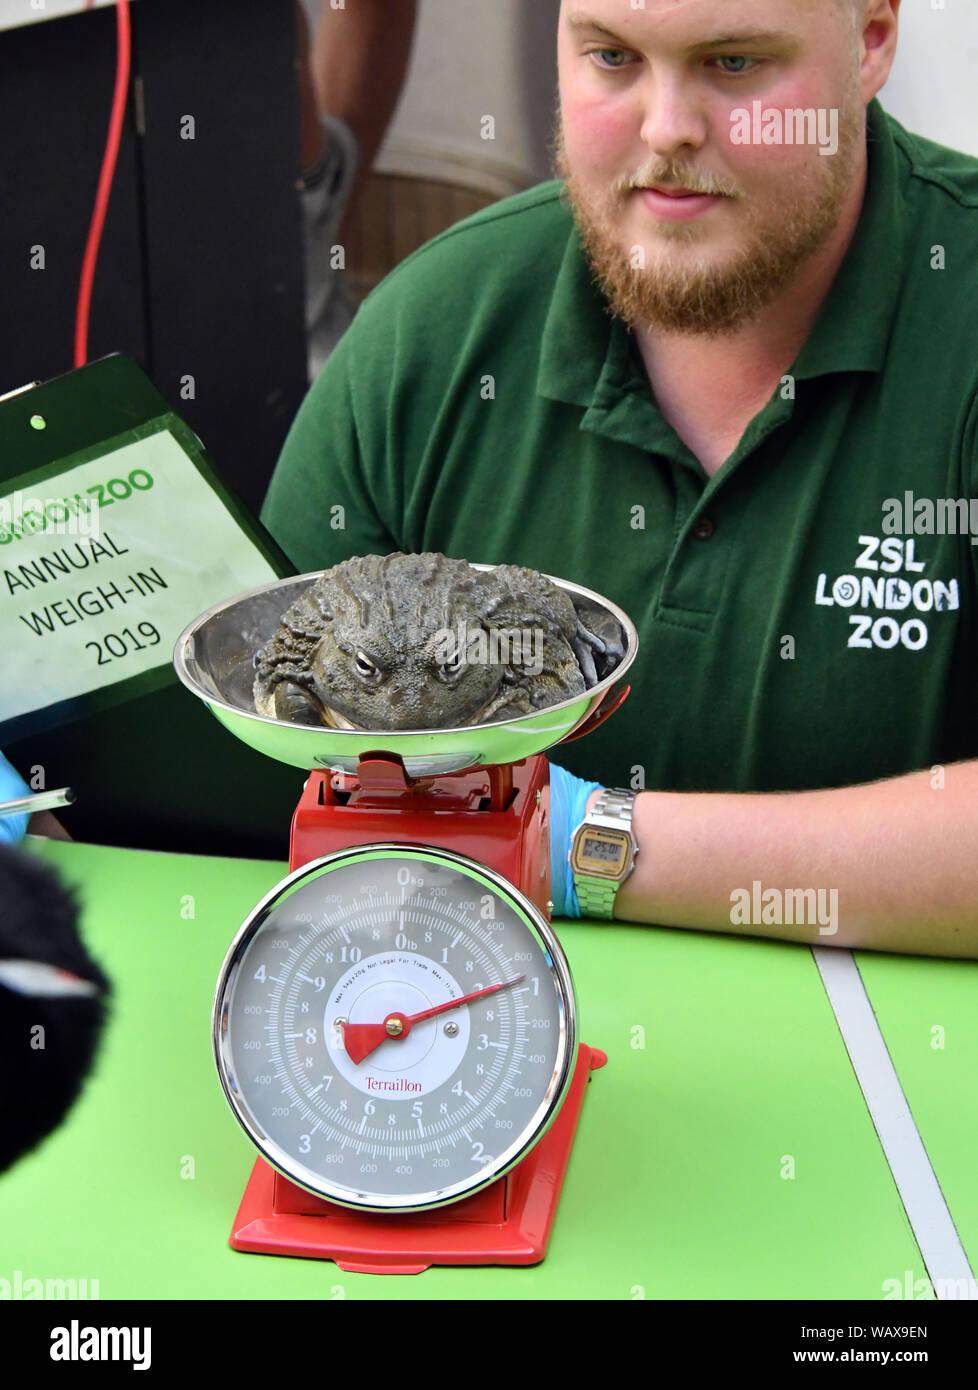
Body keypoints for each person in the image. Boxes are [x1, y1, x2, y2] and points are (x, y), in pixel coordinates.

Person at [259, 0, 978, 959]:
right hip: (456, 1066)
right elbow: (248, 743)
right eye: (612, 57)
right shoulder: (430, 335)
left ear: (872, 40)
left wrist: (583, 846)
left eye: (733, 63)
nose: (666, 127)